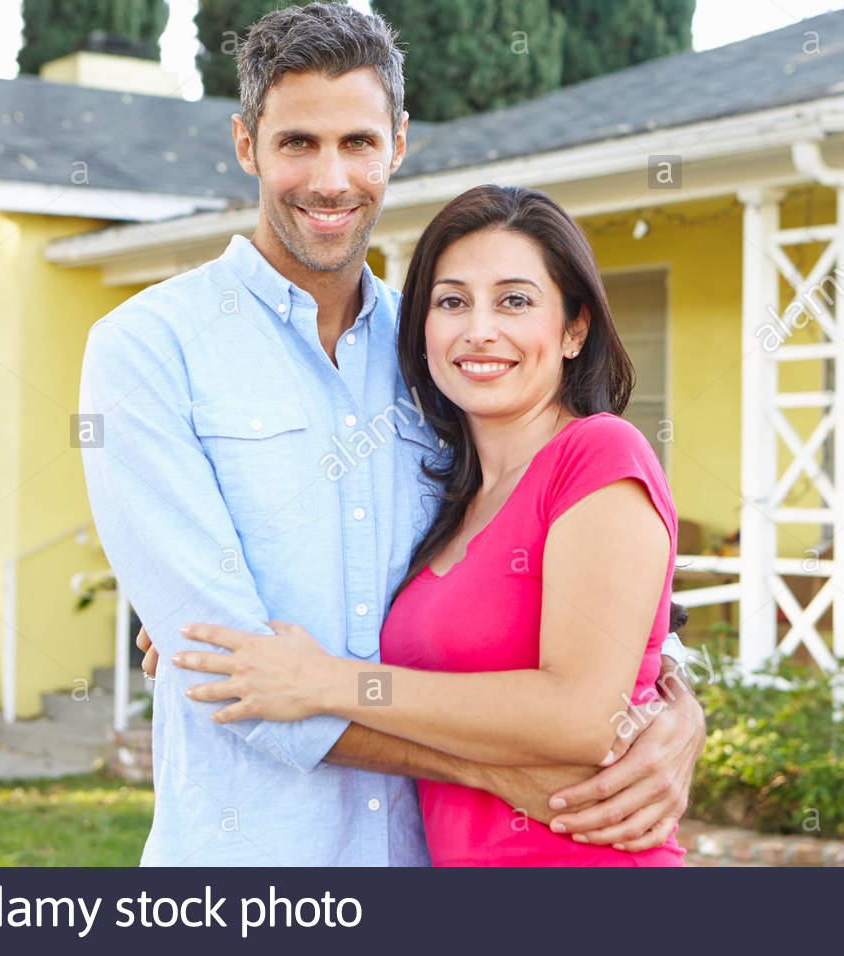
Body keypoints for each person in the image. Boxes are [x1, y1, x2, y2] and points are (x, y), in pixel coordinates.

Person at [80, 3, 704, 867]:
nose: (331, 180)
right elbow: (230, 674)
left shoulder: (436, 360)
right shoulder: (147, 350)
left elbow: (544, 569)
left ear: (398, 144)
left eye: (359, 144)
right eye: (298, 142)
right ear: (245, 144)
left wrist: (675, 703)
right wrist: (497, 772)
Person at [172, 185, 688, 865]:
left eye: (514, 300)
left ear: (573, 329)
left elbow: (585, 715)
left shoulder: (599, 455)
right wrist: (196, 611)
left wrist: (325, 681)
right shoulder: (445, 490)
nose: (479, 329)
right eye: (452, 301)